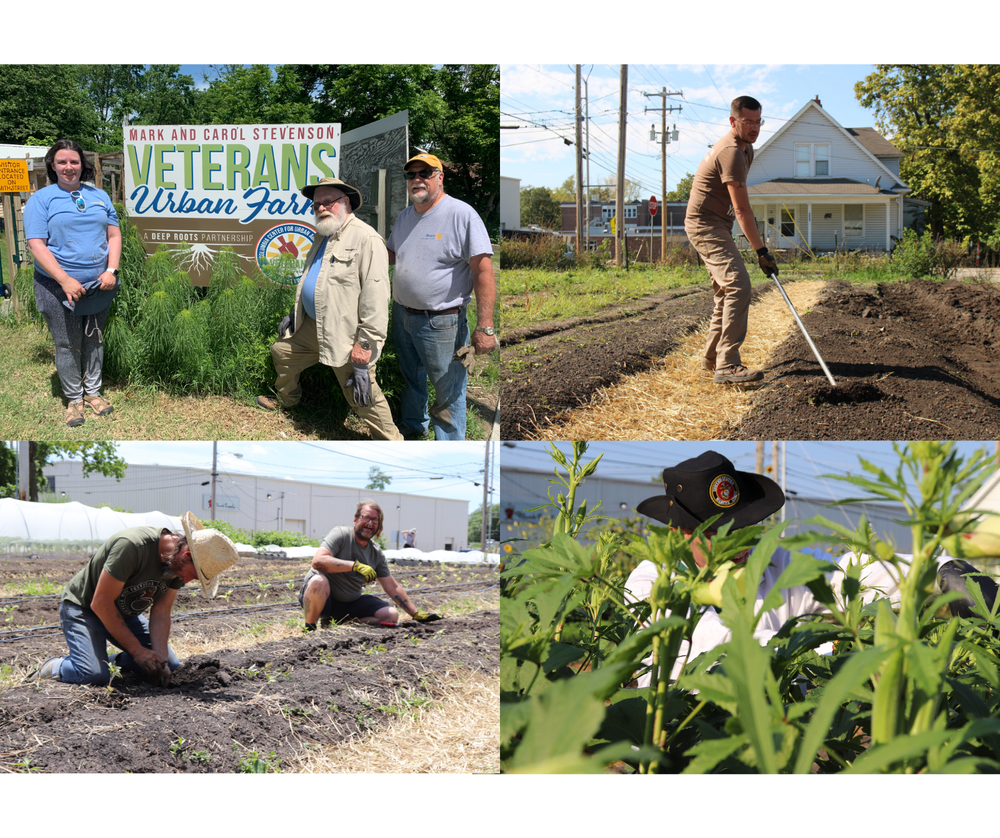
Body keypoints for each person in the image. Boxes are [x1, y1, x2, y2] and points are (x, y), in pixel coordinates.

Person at [624, 451, 985, 687]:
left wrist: (941, 571)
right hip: (680, 745)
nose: (740, 546)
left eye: (746, 528)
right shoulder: (649, 584)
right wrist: (827, 651)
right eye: (719, 534)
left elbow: (849, 577)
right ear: (678, 531)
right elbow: (716, 647)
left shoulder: (778, 563)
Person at [256, 177, 403, 441]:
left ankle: (393, 445)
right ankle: (289, 401)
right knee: (282, 351)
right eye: (316, 205)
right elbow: (314, 278)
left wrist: (365, 346)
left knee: (362, 394)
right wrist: (296, 312)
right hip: (313, 325)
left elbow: (376, 299)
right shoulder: (322, 233)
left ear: (345, 202)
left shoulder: (366, 238)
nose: (321, 208)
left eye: (328, 202)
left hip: (347, 335)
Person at [28, 512, 239, 686]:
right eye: (194, 575)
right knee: (93, 676)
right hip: (84, 608)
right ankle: (55, 666)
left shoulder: (176, 568)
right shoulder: (132, 546)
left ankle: (99, 661)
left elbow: (161, 611)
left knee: (166, 664)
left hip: (123, 614)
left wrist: (160, 659)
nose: (190, 580)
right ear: (185, 557)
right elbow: (100, 603)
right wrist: (137, 651)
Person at [387, 153, 498, 440]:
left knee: (448, 390)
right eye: (411, 175)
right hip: (402, 315)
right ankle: (413, 428)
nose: (417, 179)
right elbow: (390, 255)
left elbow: (483, 271)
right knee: (411, 379)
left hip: (441, 323)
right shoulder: (404, 217)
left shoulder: (461, 215)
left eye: (425, 172)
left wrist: (485, 326)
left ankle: (449, 450)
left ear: (440, 177)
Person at [24, 139, 122, 427]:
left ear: (83, 165)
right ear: (52, 166)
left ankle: (93, 393)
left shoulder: (100, 197)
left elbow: (113, 236)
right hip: (56, 285)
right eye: (62, 162)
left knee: (94, 338)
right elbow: (36, 244)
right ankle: (74, 399)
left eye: (74, 161)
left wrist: (111, 270)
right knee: (67, 343)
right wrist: (65, 279)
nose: (69, 167)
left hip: (98, 284)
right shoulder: (41, 200)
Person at [684, 97, 778, 385]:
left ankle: (711, 361)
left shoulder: (746, 148)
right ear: (733, 121)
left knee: (726, 292)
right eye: (747, 121)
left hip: (717, 225)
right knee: (739, 284)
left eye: (758, 121)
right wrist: (761, 251)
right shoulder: (731, 152)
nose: (754, 127)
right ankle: (727, 365)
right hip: (705, 225)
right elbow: (742, 209)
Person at [299, 501, 441, 629]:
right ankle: (310, 627)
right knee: (318, 581)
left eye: (375, 520)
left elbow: (392, 586)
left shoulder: (376, 553)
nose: (370, 523)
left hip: (349, 604)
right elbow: (318, 561)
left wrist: (414, 613)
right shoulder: (341, 534)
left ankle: (339, 622)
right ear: (355, 519)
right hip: (322, 600)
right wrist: (355, 566)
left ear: (379, 526)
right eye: (366, 517)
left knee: (390, 616)